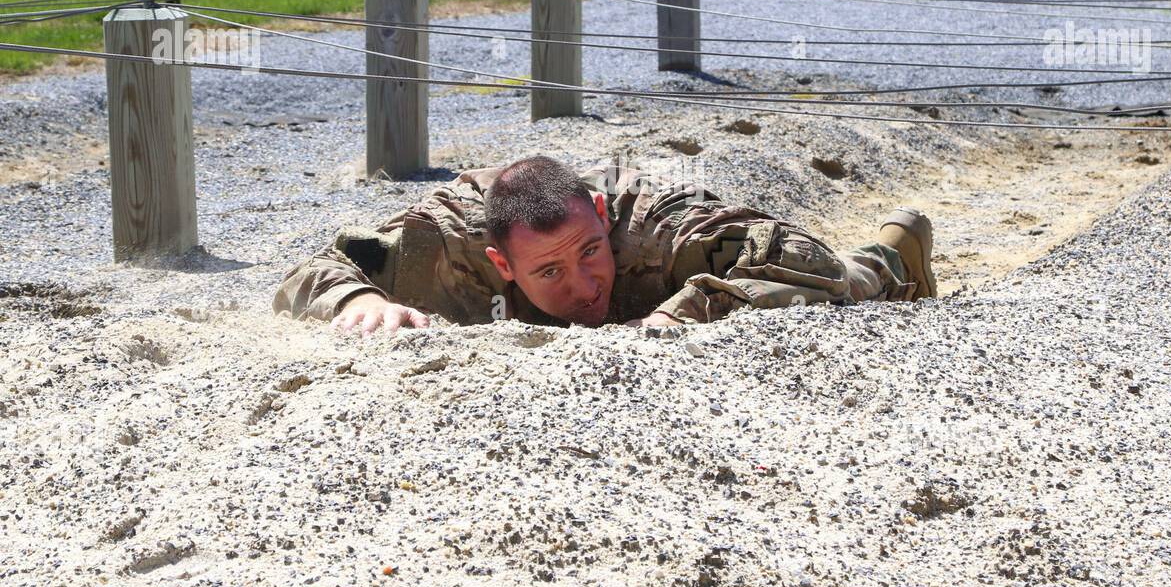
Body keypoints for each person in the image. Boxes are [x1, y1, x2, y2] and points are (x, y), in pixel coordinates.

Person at [273, 155, 936, 335]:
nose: (584, 286)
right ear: (502, 264)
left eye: (590, 253)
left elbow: (800, 260)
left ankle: (891, 256)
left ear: (598, 213)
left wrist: (678, 315)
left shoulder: (657, 222)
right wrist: (358, 299)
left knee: (841, 288)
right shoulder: (446, 241)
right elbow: (315, 268)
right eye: (551, 271)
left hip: (674, 283)